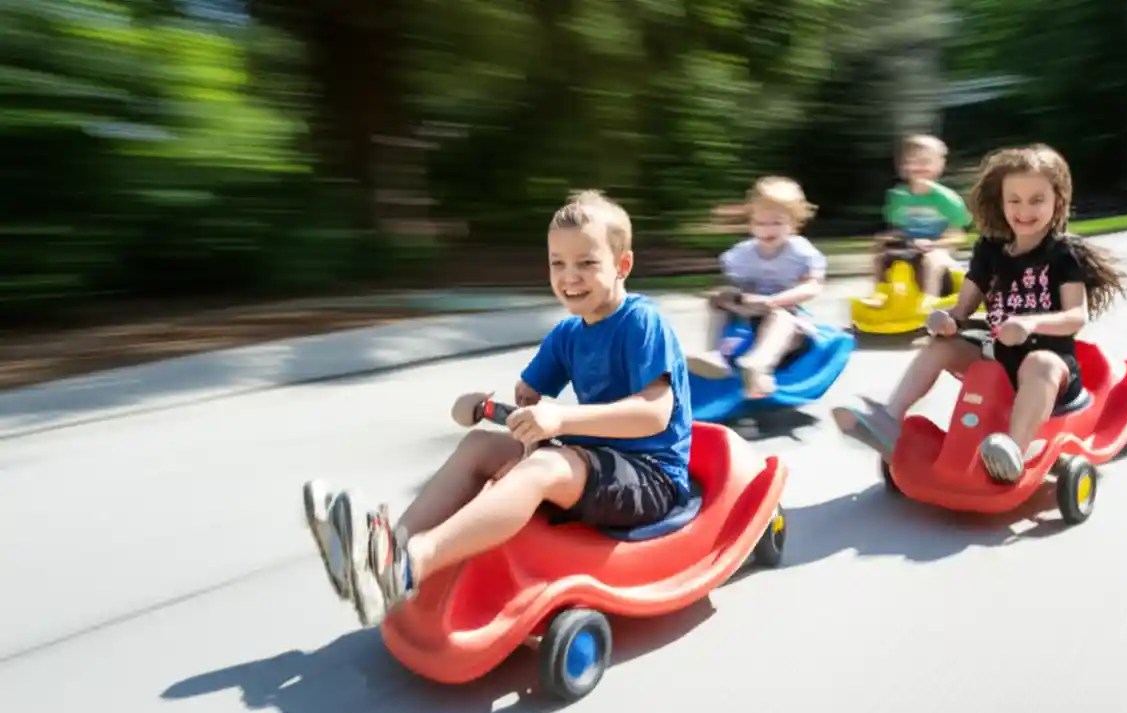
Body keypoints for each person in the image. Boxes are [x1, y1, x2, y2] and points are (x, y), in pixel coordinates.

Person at [302, 190, 694, 627]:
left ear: (622, 266)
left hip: (649, 475)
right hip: (596, 462)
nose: (570, 276)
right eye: (557, 263)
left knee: (543, 466)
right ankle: (386, 556)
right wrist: (478, 407)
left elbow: (655, 412)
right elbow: (526, 396)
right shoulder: (568, 334)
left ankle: (413, 563)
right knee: (479, 446)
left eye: (587, 263)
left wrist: (560, 418)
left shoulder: (642, 321)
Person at [833, 144, 1127, 483]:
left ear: (1057, 201)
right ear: (1000, 201)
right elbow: (963, 307)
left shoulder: (1064, 255)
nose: (1024, 210)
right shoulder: (989, 250)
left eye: (1037, 200)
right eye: (1014, 200)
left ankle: (1014, 451)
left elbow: (1077, 315)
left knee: (1040, 363)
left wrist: (1031, 323)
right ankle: (890, 419)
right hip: (997, 352)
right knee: (940, 346)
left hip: (1049, 361)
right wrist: (944, 320)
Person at [685, 176, 827, 398]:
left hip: (788, 315)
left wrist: (774, 301)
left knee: (781, 318)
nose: (767, 230)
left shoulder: (800, 252)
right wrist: (728, 296)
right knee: (719, 304)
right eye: (760, 223)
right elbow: (735, 284)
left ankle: (759, 365)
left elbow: (813, 286)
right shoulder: (743, 253)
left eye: (777, 223)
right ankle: (716, 354)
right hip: (751, 310)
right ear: (751, 223)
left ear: (794, 223)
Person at [869, 134, 973, 307]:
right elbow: (899, 229)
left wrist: (934, 244)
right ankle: (880, 293)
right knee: (880, 255)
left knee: (932, 260)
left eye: (925, 161)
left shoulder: (947, 199)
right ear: (903, 166)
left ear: (939, 165)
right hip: (909, 245)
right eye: (913, 161)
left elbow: (958, 236)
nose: (919, 166)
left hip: (939, 248)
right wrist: (889, 237)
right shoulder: (898, 197)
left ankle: (929, 299)